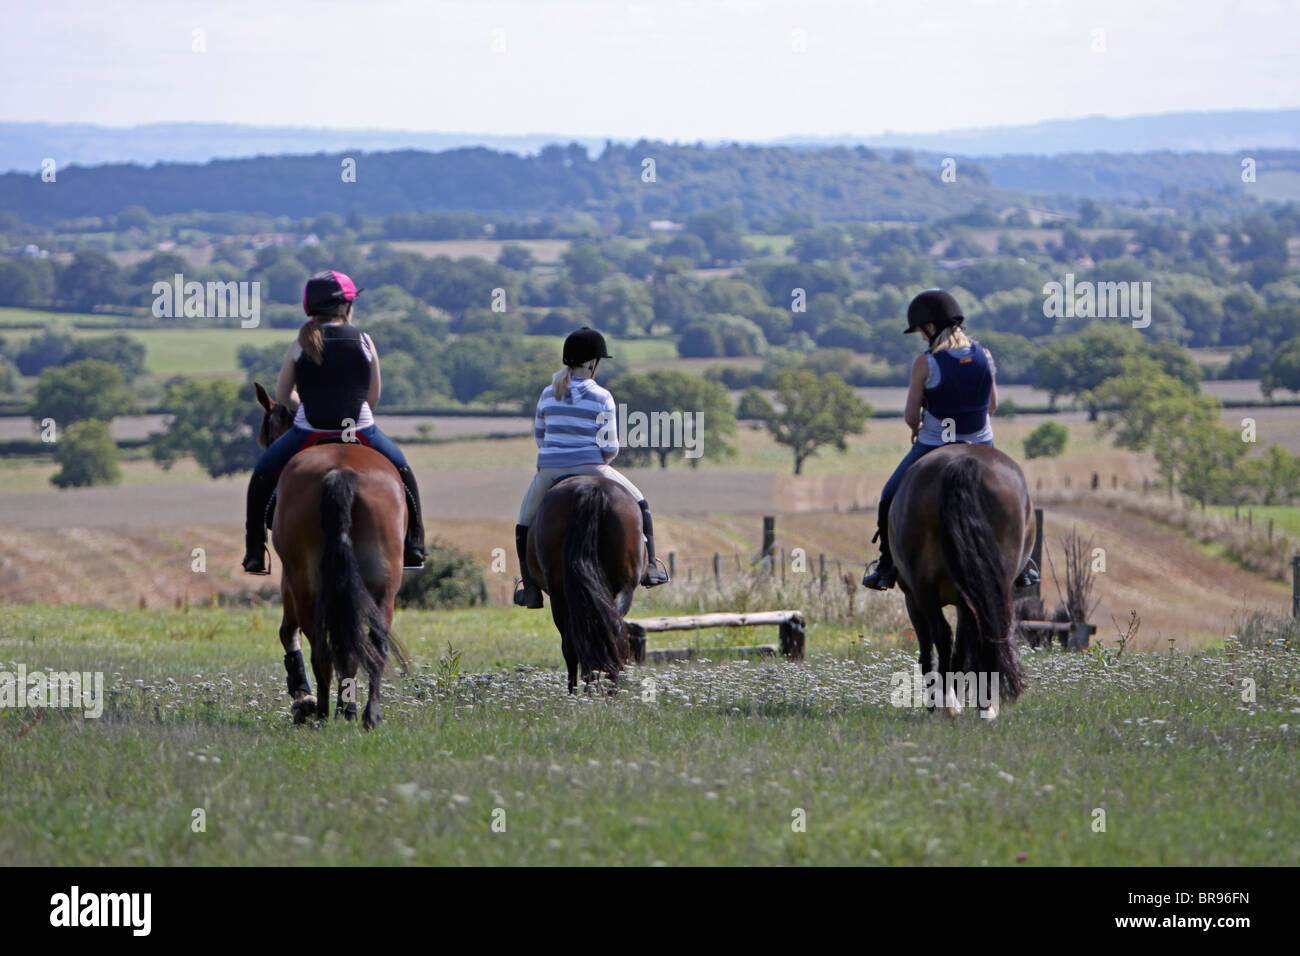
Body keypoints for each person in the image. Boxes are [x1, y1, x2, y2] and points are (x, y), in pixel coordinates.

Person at [241, 270, 425, 574]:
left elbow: (283, 394)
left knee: (261, 476)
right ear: (346, 306)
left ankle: (255, 552)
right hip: (362, 431)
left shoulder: (300, 343)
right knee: (404, 472)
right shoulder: (365, 340)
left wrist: (305, 406)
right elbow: (373, 397)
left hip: (308, 433)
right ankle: (415, 546)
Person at [861, 288, 1039, 591]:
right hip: (981, 443)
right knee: (1018, 495)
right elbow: (992, 406)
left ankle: (886, 565)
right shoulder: (984, 355)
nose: (921, 337)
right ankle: (1023, 564)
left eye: (921, 330)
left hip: (934, 444)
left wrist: (917, 425)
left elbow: (909, 415)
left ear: (931, 327)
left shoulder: (926, 362)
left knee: (889, 495)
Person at [513, 327, 670, 608]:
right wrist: (598, 462)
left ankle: (530, 586)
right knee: (641, 502)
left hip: (549, 471)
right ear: (593, 363)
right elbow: (609, 446)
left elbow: (540, 436)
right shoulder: (602, 396)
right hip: (592, 468)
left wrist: (557, 455)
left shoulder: (548, 393)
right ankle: (651, 568)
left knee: (524, 522)